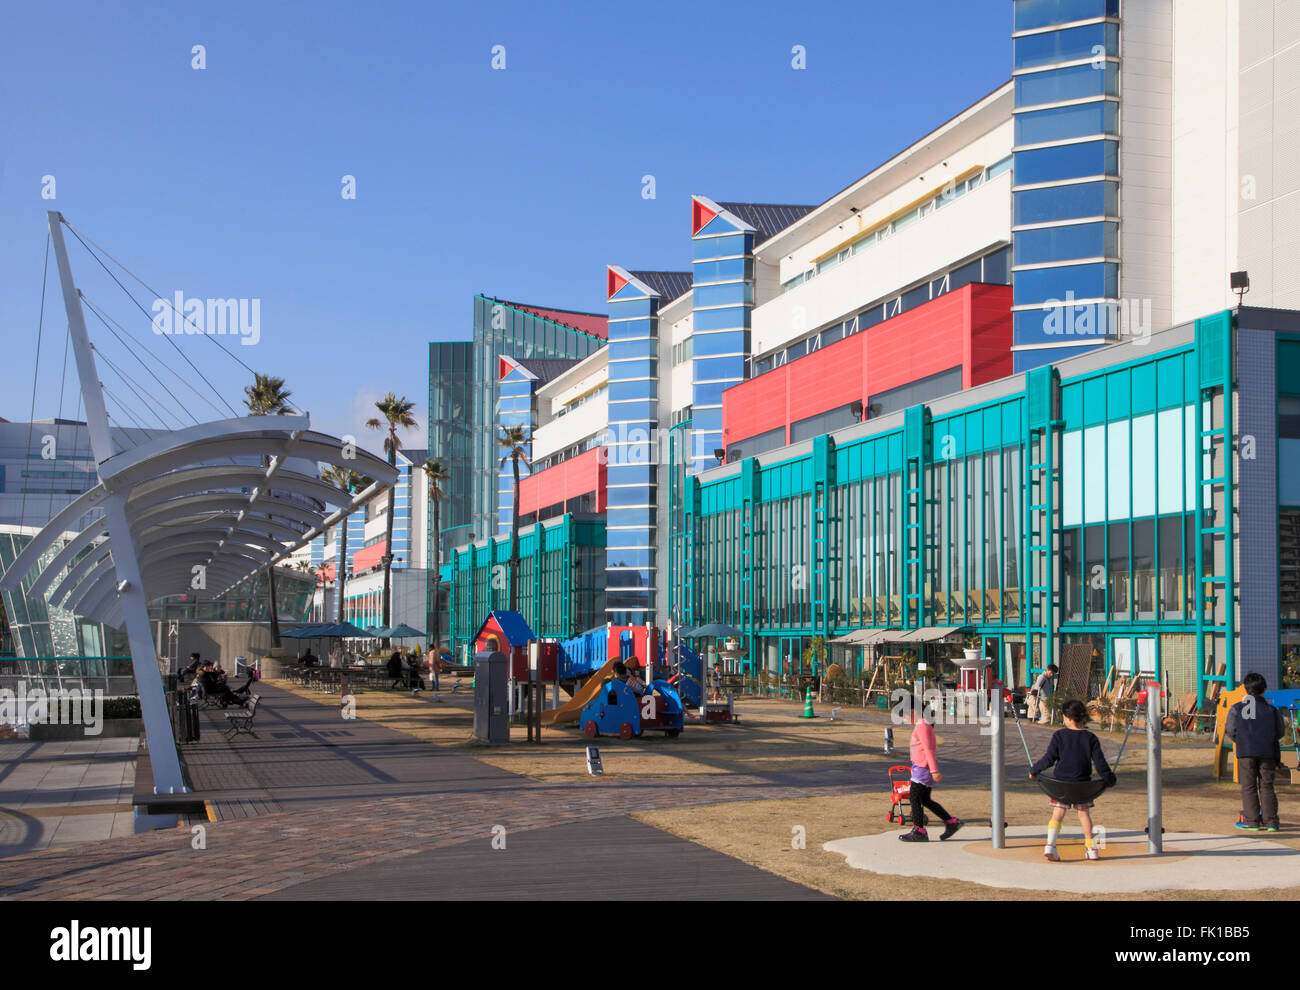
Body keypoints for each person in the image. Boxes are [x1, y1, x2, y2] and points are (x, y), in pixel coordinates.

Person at [1030, 698, 1115, 861]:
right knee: (1083, 814)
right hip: (1082, 786)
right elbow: (1100, 764)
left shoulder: (1059, 736)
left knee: (1058, 814)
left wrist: (1034, 770)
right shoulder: (1090, 738)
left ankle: (1050, 845)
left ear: (1067, 718)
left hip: (1061, 785)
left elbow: (1049, 759)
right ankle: (1091, 849)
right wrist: (1110, 780)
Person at [1225, 672, 1286, 832]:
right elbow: (1280, 731)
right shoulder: (1272, 710)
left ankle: (1252, 821)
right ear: (1264, 689)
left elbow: (1230, 730)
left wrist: (1242, 740)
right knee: (1267, 786)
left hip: (1246, 752)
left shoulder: (1237, 708)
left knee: (1249, 786)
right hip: (1267, 752)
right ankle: (1271, 822)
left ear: (1245, 690)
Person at [899, 694, 962, 842]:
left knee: (914, 798)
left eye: (905, 716)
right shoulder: (923, 724)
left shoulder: (922, 726)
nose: (905, 719)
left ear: (913, 711)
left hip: (923, 770)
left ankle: (919, 831)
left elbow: (929, 749)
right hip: (920, 768)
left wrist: (934, 770)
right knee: (925, 800)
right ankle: (951, 822)